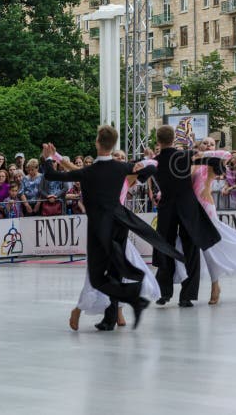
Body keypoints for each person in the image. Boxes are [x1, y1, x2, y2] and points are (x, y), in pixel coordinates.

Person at [41, 126, 182, 331]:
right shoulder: (122, 169)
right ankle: (113, 313)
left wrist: (48, 158)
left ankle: (104, 310)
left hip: (101, 226)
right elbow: (152, 166)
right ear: (113, 147)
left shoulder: (97, 171)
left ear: (98, 142)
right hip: (119, 224)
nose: (118, 157)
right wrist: (141, 164)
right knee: (113, 270)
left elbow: (55, 175)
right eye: (117, 155)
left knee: (99, 273)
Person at [67, 151, 161, 331]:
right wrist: (55, 158)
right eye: (115, 156)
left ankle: (117, 312)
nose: (118, 159)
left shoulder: (128, 178)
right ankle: (79, 309)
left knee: (120, 273)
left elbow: (152, 167)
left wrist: (148, 159)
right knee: (96, 275)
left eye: (122, 157)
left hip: (118, 229)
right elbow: (73, 169)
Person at [149, 125, 221, 308]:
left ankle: (164, 293)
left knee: (166, 247)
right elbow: (215, 161)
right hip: (188, 206)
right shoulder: (186, 155)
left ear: (158, 141)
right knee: (191, 250)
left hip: (166, 208)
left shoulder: (155, 161)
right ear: (174, 139)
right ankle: (187, 296)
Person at [189, 140, 236, 305]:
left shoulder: (214, 161)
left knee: (211, 247)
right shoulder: (193, 163)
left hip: (206, 206)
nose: (209, 146)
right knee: (190, 246)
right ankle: (188, 284)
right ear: (200, 145)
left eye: (212, 144)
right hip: (191, 208)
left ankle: (215, 285)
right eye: (205, 143)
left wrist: (204, 154)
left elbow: (227, 155)